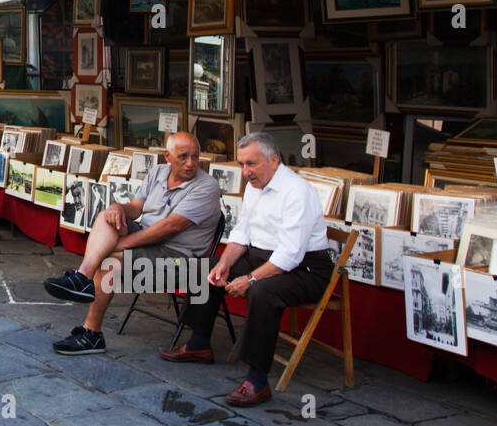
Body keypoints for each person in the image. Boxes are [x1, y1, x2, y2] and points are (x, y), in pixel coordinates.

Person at [159, 131, 333, 407]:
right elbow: (242, 233)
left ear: (274, 160)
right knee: (207, 268)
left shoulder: (297, 192)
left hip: (305, 269)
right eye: (241, 164)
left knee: (262, 292)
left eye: (251, 164)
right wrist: (226, 263)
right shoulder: (255, 185)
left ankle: (257, 380)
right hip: (263, 256)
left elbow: (289, 255)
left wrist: (249, 280)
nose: (245, 172)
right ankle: (198, 343)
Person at [42, 132, 222, 356]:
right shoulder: (158, 172)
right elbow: (136, 208)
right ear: (167, 156)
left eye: (195, 157)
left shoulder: (207, 186)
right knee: (105, 217)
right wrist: (118, 207)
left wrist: (120, 245)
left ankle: (91, 332)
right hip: (148, 241)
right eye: (183, 157)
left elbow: (170, 228)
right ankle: (83, 277)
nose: (190, 163)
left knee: (109, 260)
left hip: (180, 260)